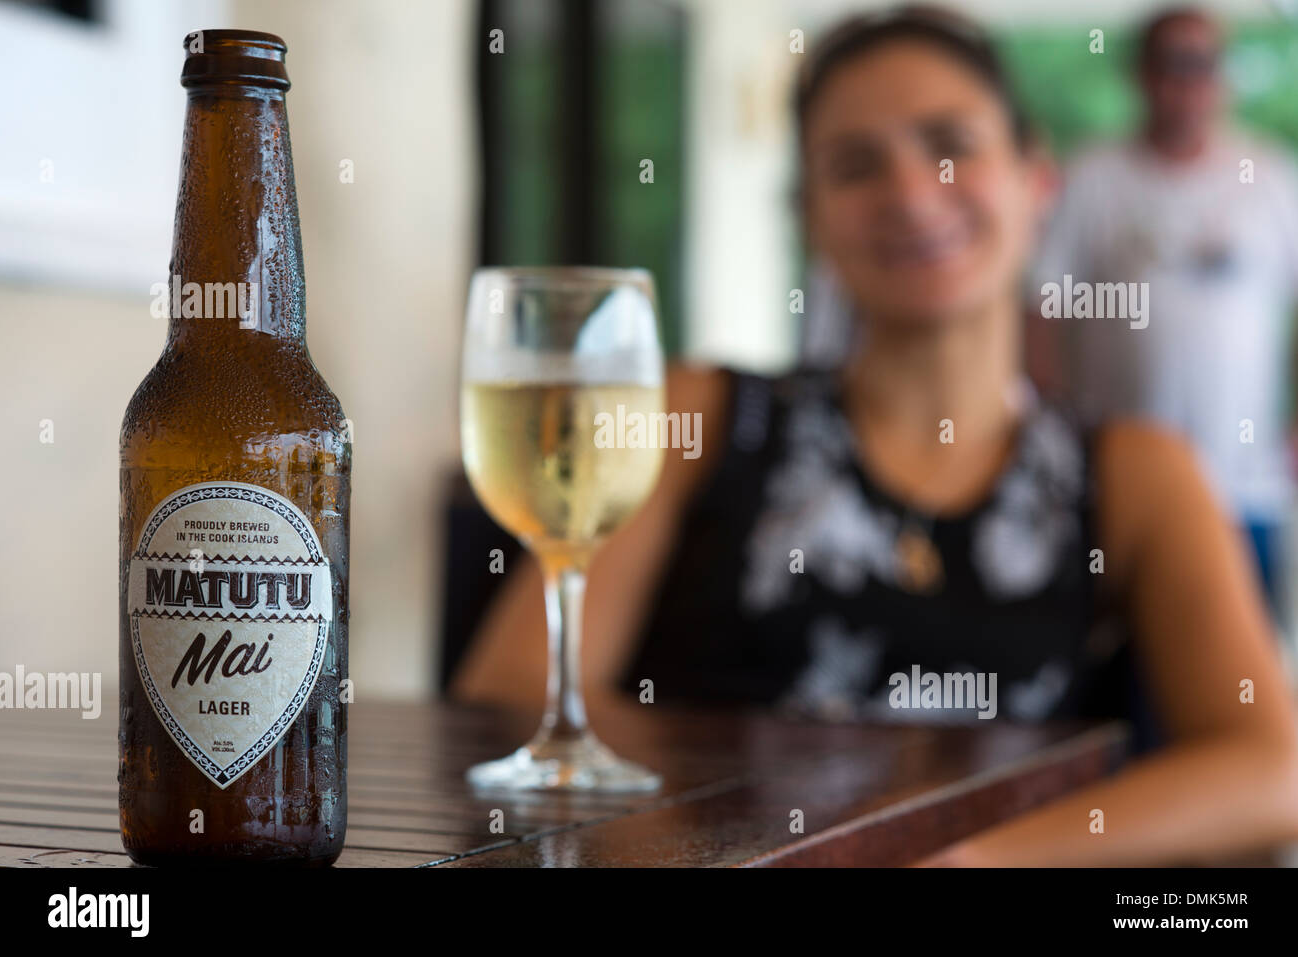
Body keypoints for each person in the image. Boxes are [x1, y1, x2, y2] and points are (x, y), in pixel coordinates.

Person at [451, 6, 1298, 865]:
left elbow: (1273, 768)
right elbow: (514, 693)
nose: (909, 192)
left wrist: (972, 861)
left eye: (950, 143)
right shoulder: (700, 414)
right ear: (808, 216)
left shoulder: (1133, 469)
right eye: (855, 165)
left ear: (1038, 177)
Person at [1030, 6, 1298, 611]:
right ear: (1140, 74)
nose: (1187, 79)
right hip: (1115, 488)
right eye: (1170, 62)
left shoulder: (1272, 176)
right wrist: (1050, 429)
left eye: (1202, 62)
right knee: (1121, 670)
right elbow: (1041, 306)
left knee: (1242, 676)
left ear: (1224, 75)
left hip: (1245, 487)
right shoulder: (1093, 176)